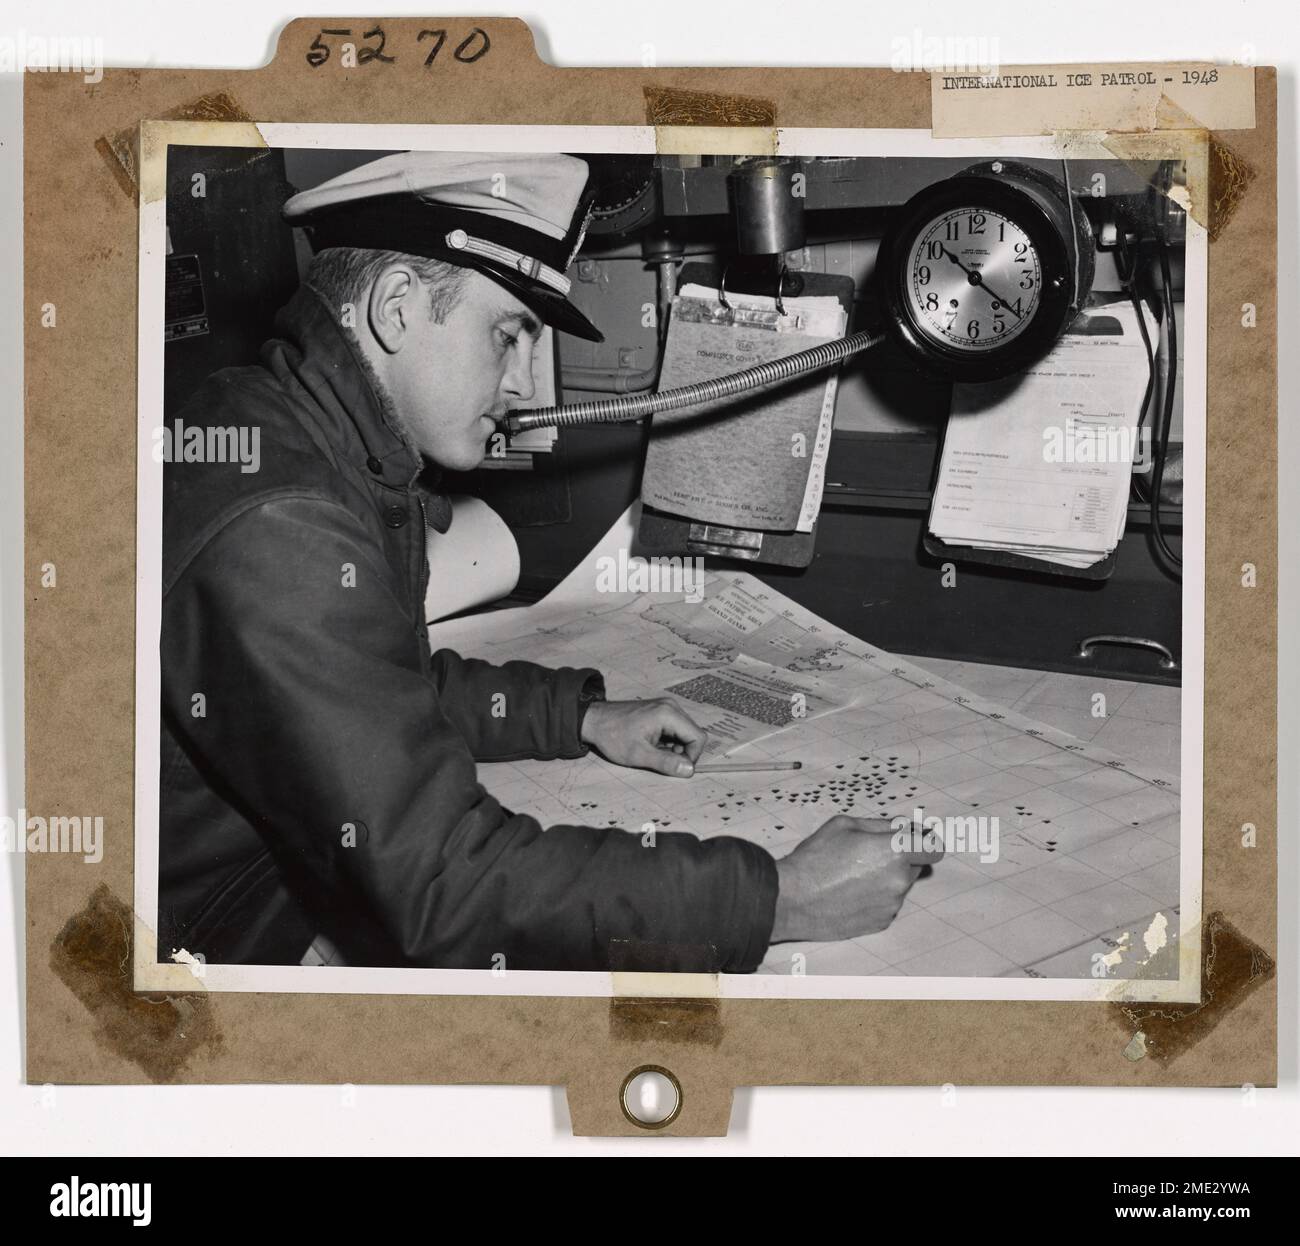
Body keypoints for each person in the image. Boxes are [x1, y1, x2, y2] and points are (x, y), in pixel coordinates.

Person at [158, 150, 938, 973]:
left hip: (262, 895)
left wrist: (580, 717)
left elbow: (378, 688)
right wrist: (779, 896)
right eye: (508, 335)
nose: (528, 386)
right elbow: (448, 888)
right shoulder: (287, 521)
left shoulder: (290, 426)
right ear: (395, 308)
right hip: (219, 942)